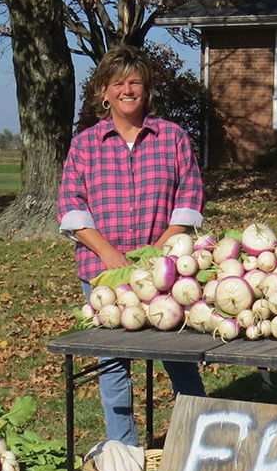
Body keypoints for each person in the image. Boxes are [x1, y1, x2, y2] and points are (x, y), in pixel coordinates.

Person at [57, 45, 206, 447]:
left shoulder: (172, 138)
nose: (128, 89)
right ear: (104, 92)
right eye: (118, 82)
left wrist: (159, 252)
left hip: (165, 271)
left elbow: (190, 200)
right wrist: (108, 253)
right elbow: (70, 207)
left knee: (180, 353)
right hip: (103, 273)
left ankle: (200, 439)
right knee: (113, 361)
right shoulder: (85, 145)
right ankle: (124, 449)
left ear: (147, 90)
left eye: (135, 81)